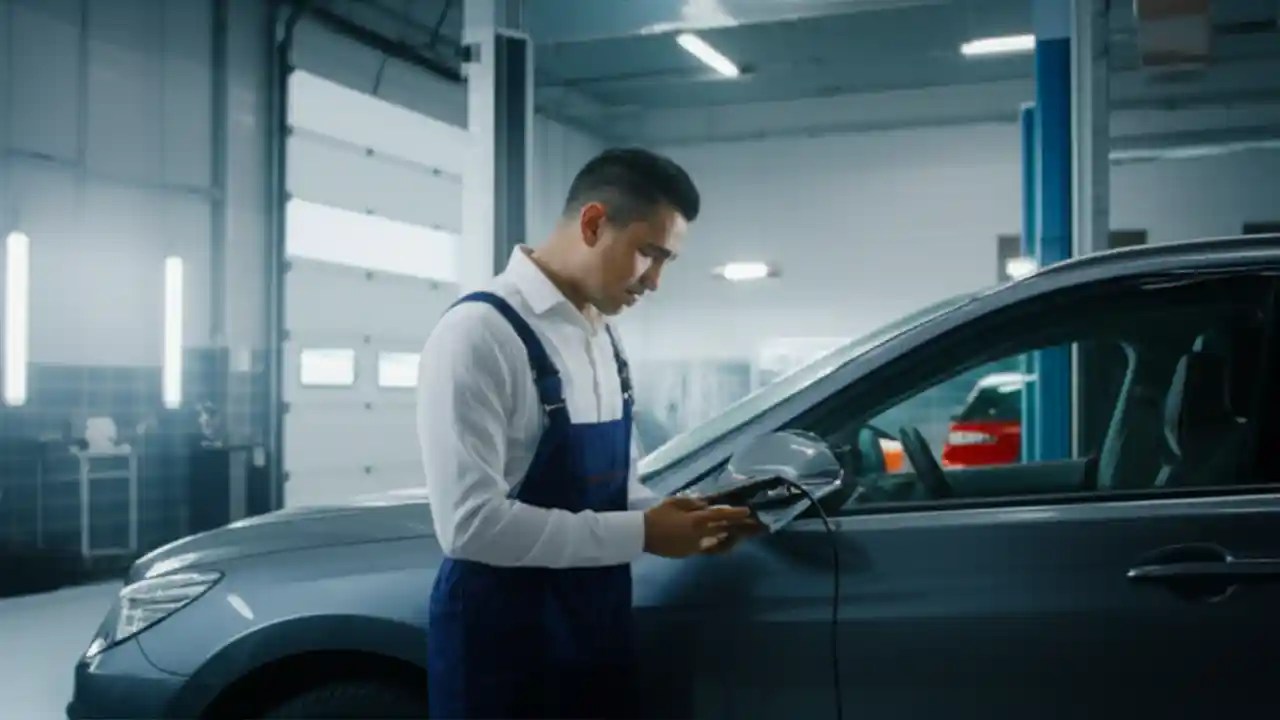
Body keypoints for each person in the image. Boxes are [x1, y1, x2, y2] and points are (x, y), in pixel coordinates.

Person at [417, 147, 760, 719]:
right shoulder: (478, 334)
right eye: (649, 254)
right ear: (594, 223)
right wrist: (641, 533)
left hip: (594, 631)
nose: (654, 282)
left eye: (667, 262)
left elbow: (611, 492)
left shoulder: (602, 335)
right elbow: (468, 526)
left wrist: (678, 517)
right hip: (502, 649)